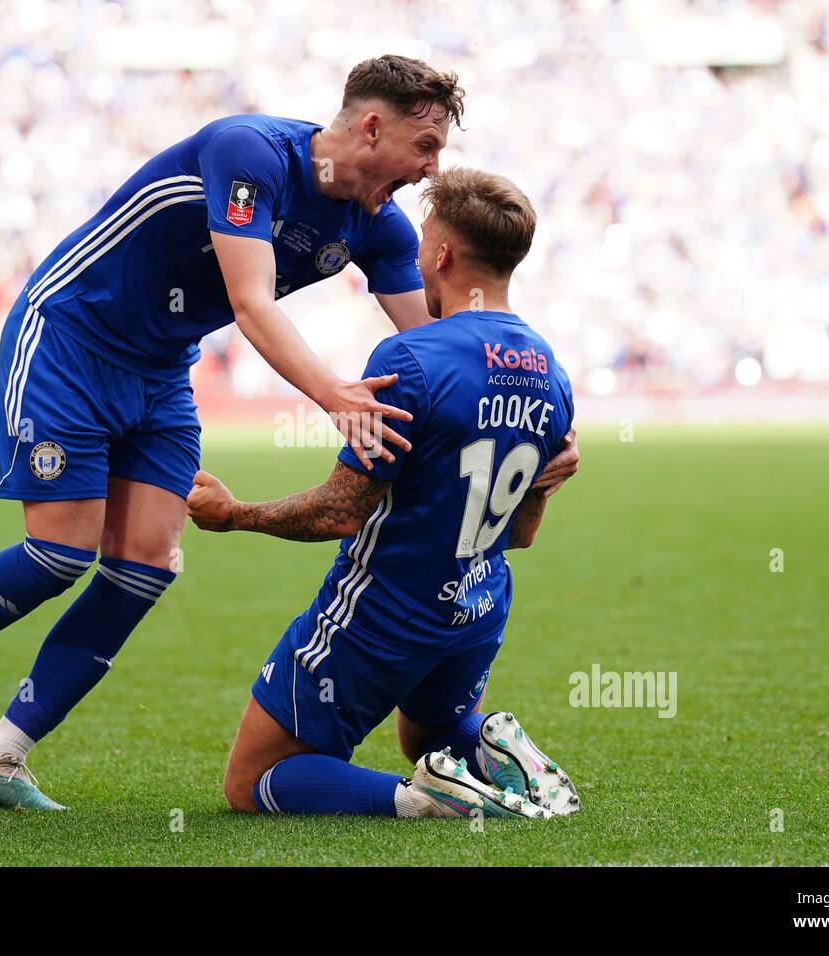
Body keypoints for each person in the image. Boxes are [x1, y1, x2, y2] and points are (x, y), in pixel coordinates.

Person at [0, 54, 577, 811]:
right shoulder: (249, 154)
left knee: (145, 564)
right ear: (373, 126)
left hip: (162, 368)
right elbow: (250, 299)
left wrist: (535, 439)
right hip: (71, 336)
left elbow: (446, 351)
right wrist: (334, 394)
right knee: (60, 551)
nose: (433, 168)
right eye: (426, 147)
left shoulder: (381, 227)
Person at [188, 168, 580, 819]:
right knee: (423, 733)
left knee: (254, 780)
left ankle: (424, 801)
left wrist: (234, 515)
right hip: (477, 606)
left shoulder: (411, 358)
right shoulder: (550, 372)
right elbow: (523, 531)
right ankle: (495, 747)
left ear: (444, 253)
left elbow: (341, 510)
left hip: (386, 609)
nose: (417, 255)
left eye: (424, 240)